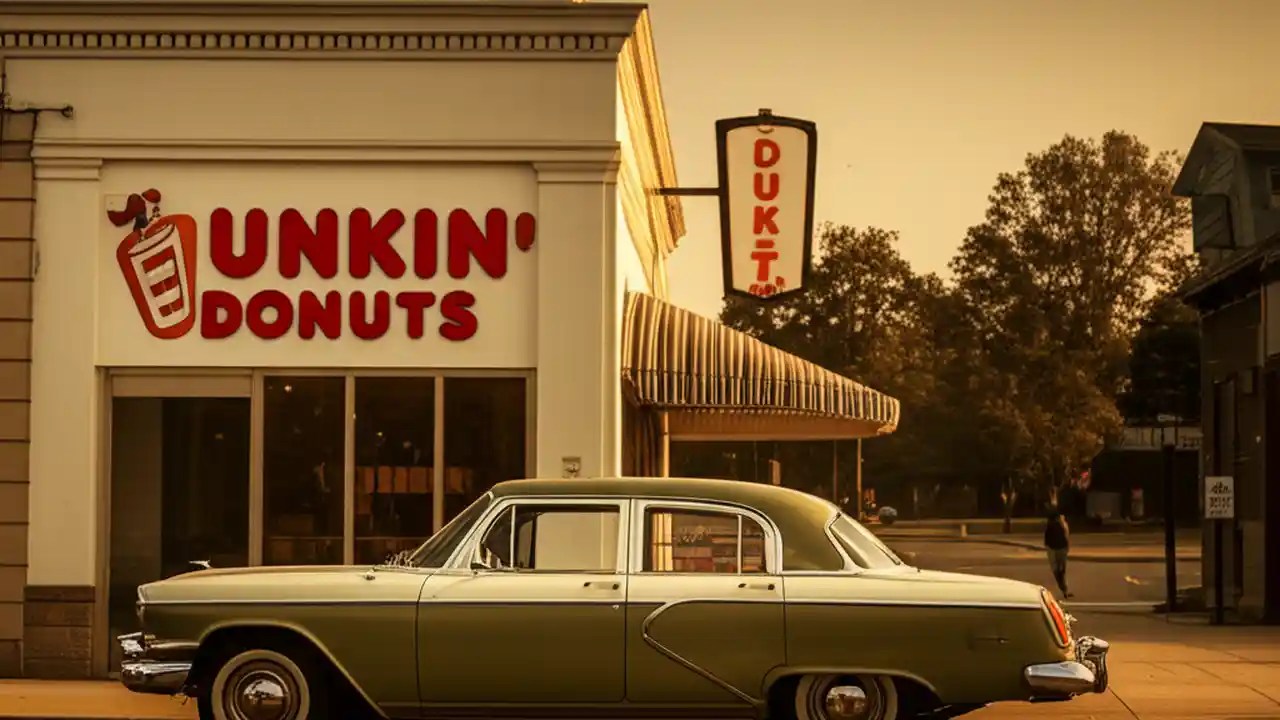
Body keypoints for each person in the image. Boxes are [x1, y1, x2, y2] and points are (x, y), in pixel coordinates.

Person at [1044, 507, 1072, 598]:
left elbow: (1066, 535)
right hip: (1058, 548)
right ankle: (1064, 589)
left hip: (1057, 548)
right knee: (1060, 571)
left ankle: (1064, 589)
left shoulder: (1057, 524)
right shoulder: (1059, 524)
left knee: (1059, 571)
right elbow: (1066, 536)